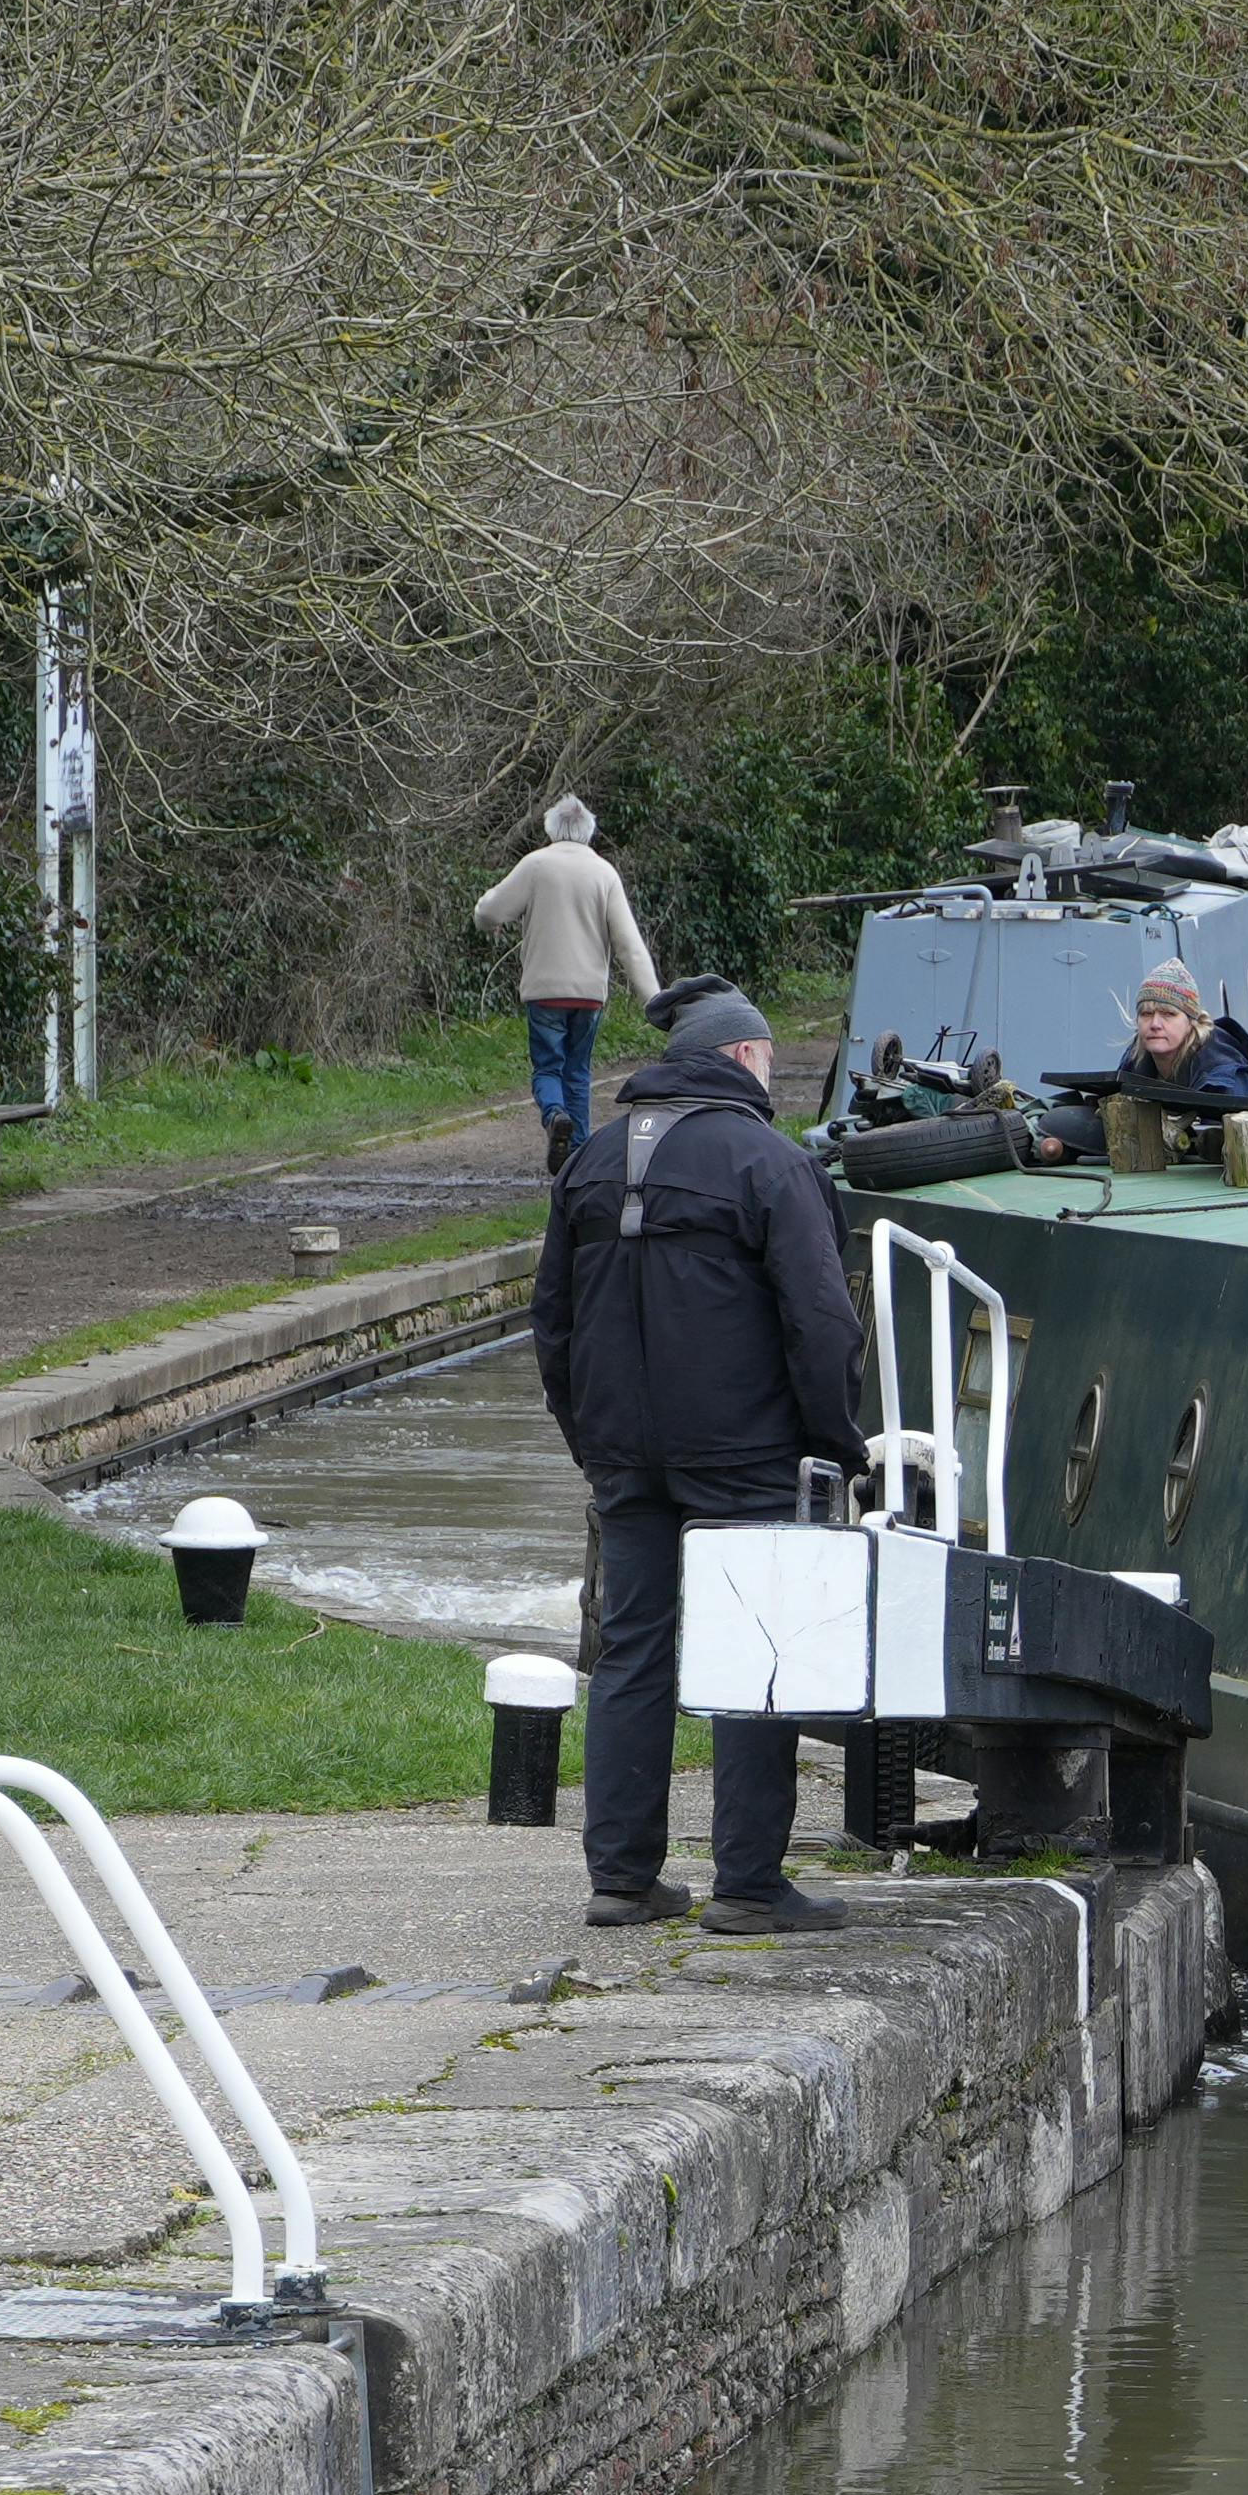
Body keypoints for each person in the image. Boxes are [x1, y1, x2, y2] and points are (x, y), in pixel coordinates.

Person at [536, 984, 862, 1931]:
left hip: (624, 1455)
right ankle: (750, 1884)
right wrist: (836, 1444)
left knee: (634, 1649)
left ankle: (623, 1877)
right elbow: (820, 1320)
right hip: (746, 1452)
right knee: (756, 1649)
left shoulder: (594, 1158)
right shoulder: (769, 1160)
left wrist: (588, 1441)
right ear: (745, 1059)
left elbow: (550, 1320)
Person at [474, 795, 662, 1171]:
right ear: (588, 830)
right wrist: (656, 1002)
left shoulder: (537, 865)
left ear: (551, 828)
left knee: (547, 1069)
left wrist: (486, 921)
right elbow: (630, 947)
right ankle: (578, 1159)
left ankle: (554, 1115)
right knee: (578, 1072)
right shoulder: (604, 873)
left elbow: (490, 909)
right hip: (589, 996)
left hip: (545, 992)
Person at [1095, 963, 1248, 1172]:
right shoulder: (1136, 1059)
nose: (1155, 1024)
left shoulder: (1222, 1073)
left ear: (1191, 1021)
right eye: (1146, 1014)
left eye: (1168, 1014)